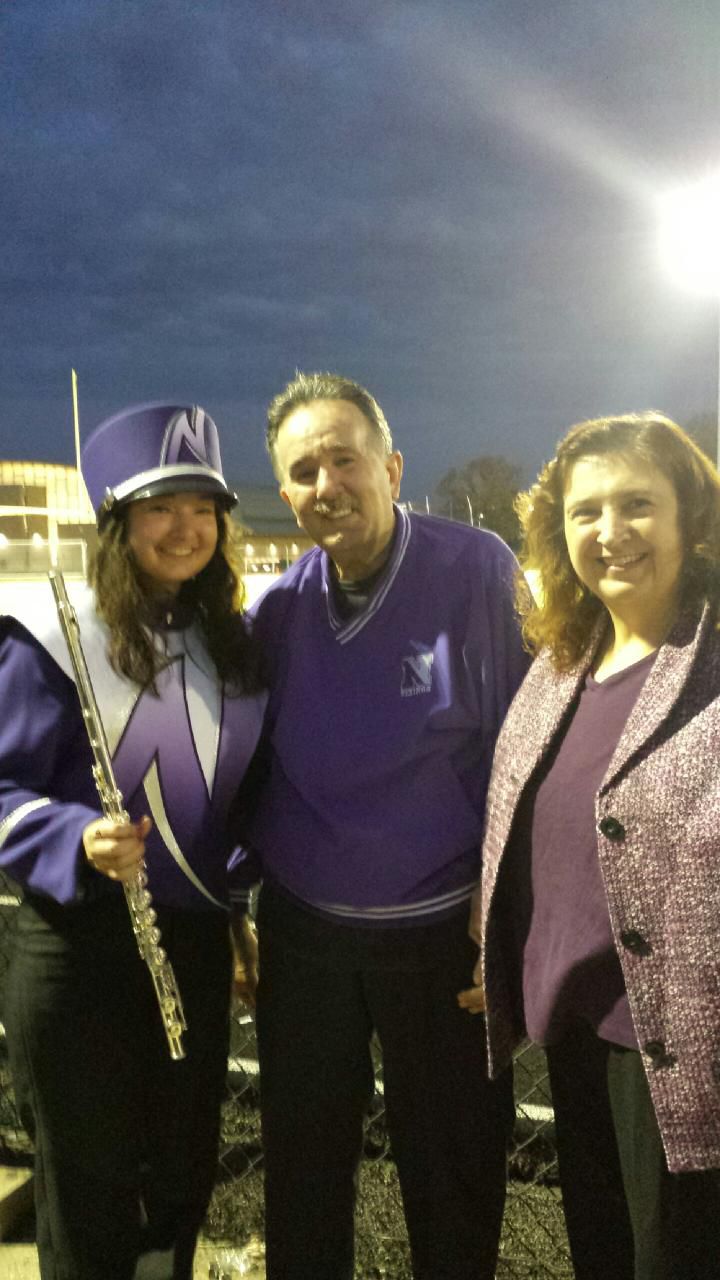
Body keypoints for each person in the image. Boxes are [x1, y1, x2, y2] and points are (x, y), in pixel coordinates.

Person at [245, 371, 529, 1280]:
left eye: (344, 458)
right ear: (286, 495)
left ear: (392, 468)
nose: (326, 483)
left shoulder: (477, 571)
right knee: (304, 1179)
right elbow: (247, 771)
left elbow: (528, 755)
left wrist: (507, 909)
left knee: (452, 1181)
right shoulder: (277, 610)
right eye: (303, 470)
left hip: (444, 940)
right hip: (308, 942)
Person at [0, 403, 266, 1280]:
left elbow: (228, 812)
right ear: (117, 519)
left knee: (180, 1177)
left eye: (204, 507)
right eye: (161, 506)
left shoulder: (231, 643)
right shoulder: (51, 632)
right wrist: (74, 837)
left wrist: (235, 920)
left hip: (187, 946)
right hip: (77, 955)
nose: (187, 528)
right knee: (89, 1189)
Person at [462, 411, 720, 1279]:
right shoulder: (563, 662)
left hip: (685, 1060)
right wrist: (497, 947)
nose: (610, 534)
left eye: (637, 505)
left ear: (691, 517)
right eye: (585, 512)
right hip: (576, 1038)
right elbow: (529, 827)